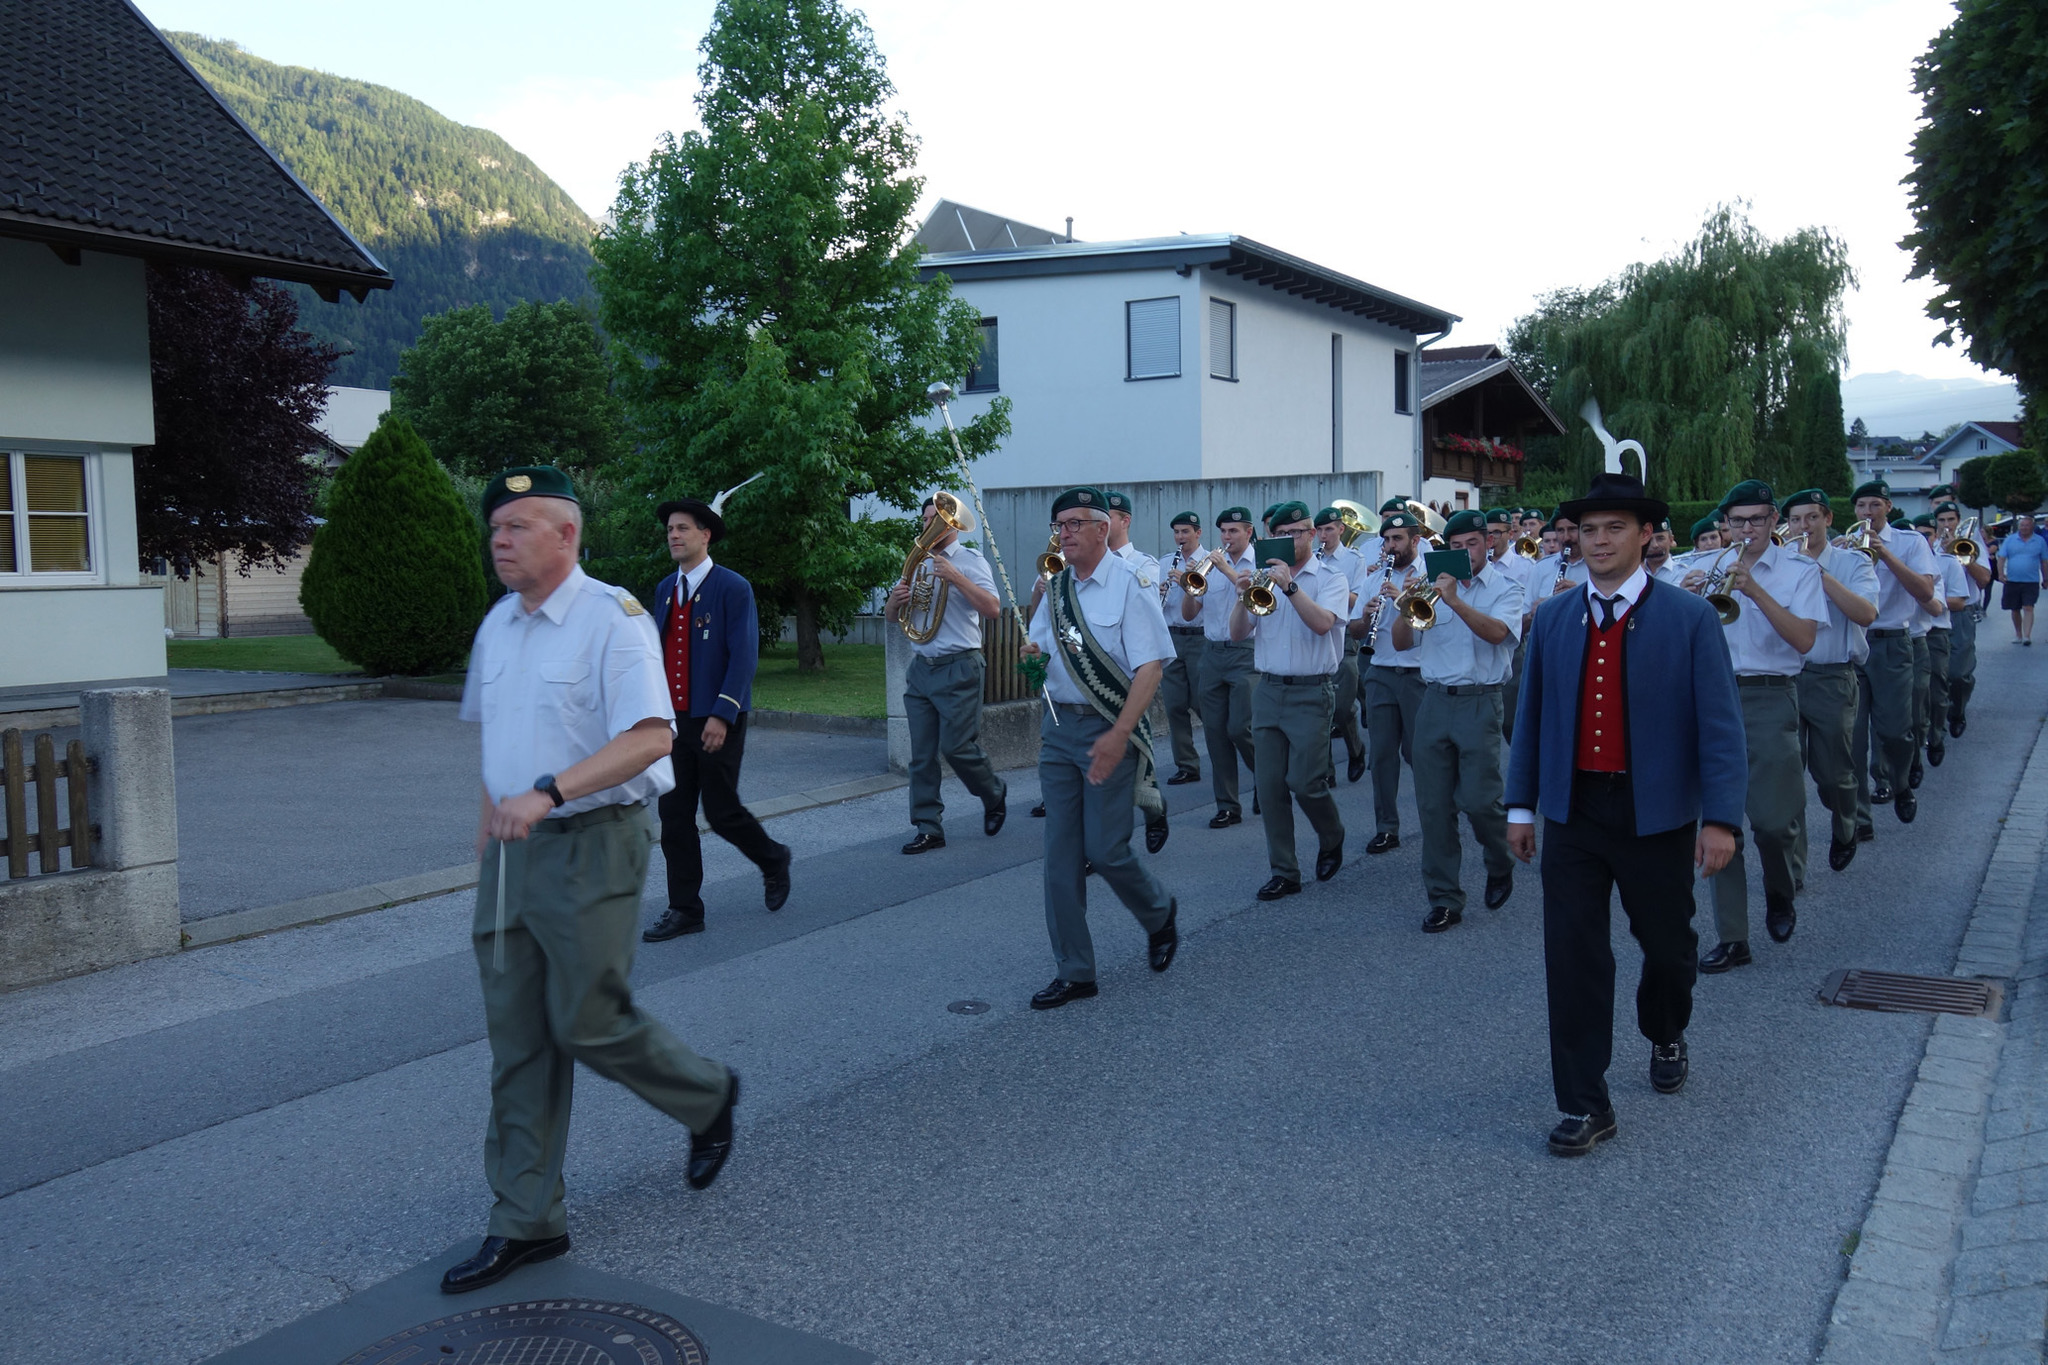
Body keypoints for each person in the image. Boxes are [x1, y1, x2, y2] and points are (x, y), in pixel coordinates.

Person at [445, 466, 740, 1295]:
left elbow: (651, 737)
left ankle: (707, 1095)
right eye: (496, 528)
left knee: (586, 1019)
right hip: (512, 855)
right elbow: (494, 746)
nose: (501, 541)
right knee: (517, 1041)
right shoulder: (498, 626)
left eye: (519, 527)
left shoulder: (613, 620)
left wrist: (548, 793)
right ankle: (526, 1219)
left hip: (592, 839)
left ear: (566, 535)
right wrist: (488, 844)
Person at [1505, 471, 1745, 1158]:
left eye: (1614, 528)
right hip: (1575, 811)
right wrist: (1522, 808)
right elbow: (1533, 719)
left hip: (1657, 812)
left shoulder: (1690, 618)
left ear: (1646, 536)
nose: (1599, 540)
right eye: (1588, 529)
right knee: (1573, 956)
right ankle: (1585, 1103)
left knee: (1668, 949)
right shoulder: (1553, 617)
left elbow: (1721, 727)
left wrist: (1721, 817)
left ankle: (1665, 1026)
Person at [1022, 487, 1179, 1009]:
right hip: (1059, 730)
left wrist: (1117, 735)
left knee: (1105, 851)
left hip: (1111, 726)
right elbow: (1041, 652)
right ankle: (1075, 971)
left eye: (1073, 523)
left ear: (1101, 528)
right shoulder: (1056, 587)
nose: (1062, 533)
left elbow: (1150, 666)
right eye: (1058, 524)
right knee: (1059, 857)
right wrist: (1031, 658)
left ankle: (1158, 914)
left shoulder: (1132, 585)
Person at [1682, 481, 1825, 969]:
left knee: (1772, 822)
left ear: (1772, 522)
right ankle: (1733, 937)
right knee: (1720, 824)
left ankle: (1781, 890)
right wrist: (1683, 600)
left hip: (1769, 695)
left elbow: (1804, 639)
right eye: (1737, 521)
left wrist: (1755, 589)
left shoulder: (1799, 571)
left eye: (1757, 520)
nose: (1747, 529)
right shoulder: (1697, 567)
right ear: (1725, 524)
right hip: (1711, 698)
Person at [643, 495, 792, 940]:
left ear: (705, 535)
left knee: (722, 811)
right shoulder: (666, 589)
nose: (673, 535)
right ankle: (685, 909)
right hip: (674, 722)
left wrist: (722, 713)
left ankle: (772, 858)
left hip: (716, 718)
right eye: (670, 528)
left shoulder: (733, 587)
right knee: (674, 816)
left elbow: (744, 655)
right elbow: (660, 654)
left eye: (682, 528)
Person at [1389, 509, 1524, 933]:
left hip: (1481, 701)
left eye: (1472, 544)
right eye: (1456, 545)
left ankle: (1499, 860)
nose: (1464, 552)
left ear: (1488, 543)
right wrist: (1405, 603)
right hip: (1433, 700)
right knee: (1433, 806)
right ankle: (1444, 897)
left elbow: (1499, 635)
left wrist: (1455, 601)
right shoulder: (1430, 587)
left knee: (1482, 801)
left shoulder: (1506, 587)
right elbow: (1401, 642)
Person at [1234, 501, 1350, 899]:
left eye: (1297, 532)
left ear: (1313, 534)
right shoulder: (1262, 579)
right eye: (1281, 535)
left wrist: (1289, 586)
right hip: (1268, 689)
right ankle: (1284, 870)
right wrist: (1241, 594)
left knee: (1305, 782)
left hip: (1311, 690)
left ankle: (1331, 833)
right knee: (1269, 788)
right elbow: (1236, 634)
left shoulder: (1330, 578)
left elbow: (1322, 625)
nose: (1289, 540)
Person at [886, 494, 1008, 855]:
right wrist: (896, 601)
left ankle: (993, 792)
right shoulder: (916, 562)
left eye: (934, 520)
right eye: (925, 520)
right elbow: (895, 618)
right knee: (921, 755)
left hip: (959, 666)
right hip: (922, 667)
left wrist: (955, 577)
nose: (928, 526)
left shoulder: (971, 561)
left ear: (953, 526)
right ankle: (928, 827)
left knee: (957, 747)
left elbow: (992, 609)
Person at [1782, 489, 1878, 879]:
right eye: (1795, 520)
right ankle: (1793, 870)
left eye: (1811, 518)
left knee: (1833, 776)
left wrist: (1816, 572)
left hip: (1832, 678)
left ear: (1827, 519)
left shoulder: (1852, 562)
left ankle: (1846, 824)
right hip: (1785, 678)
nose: (1803, 527)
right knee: (1785, 781)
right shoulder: (1779, 562)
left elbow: (1866, 613)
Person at [1848, 481, 1941, 828]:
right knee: (1853, 741)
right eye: (1861, 506)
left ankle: (1901, 784)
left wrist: (1884, 553)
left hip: (1893, 642)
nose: (1867, 512)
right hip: (1856, 643)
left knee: (1895, 732)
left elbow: (1925, 591)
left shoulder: (1910, 542)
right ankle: (1859, 819)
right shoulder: (1846, 543)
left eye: (1874, 505)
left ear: (1888, 507)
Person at [1349, 511, 1428, 855]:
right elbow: (1352, 631)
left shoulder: (1428, 574)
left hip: (1417, 673)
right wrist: (1365, 616)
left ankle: (1435, 819)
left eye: (1398, 540)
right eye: (1387, 540)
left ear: (1415, 540)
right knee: (1382, 755)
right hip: (1380, 672)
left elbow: (1429, 624)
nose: (1391, 547)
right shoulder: (1373, 578)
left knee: (1420, 754)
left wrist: (1401, 598)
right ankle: (1386, 827)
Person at [1104, 490, 1171, 853]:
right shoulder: (1077, 566)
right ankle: (1099, 839)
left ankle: (1152, 806)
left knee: (1128, 748)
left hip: (1131, 672)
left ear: (1124, 520)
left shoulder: (1144, 564)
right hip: (1089, 672)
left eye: (1107, 517)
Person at [1191, 507, 1260, 827]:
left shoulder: (1259, 563)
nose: (1227, 538)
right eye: (1224, 532)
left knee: (1240, 728)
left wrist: (1227, 571)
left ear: (1248, 532)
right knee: (1216, 733)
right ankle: (1228, 805)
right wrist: (1191, 584)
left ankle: (1267, 781)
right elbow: (1190, 612)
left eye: (1234, 531)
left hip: (1246, 652)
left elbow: (1253, 597)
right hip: (1213, 652)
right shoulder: (1209, 565)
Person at [1314, 505, 1368, 782]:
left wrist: (1334, 587)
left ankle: (1356, 750)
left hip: (1345, 635)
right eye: (1320, 530)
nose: (1324, 535)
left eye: (1329, 529)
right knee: (1323, 707)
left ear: (1341, 530)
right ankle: (1327, 771)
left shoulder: (1354, 560)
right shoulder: (1313, 559)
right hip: (1319, 633)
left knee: (1344, 706)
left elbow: (1358, 599)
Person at [1914, 513, 1972, 768]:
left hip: (1936, 633)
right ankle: (1913, 754)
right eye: (1917, 534)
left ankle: (1936, 736)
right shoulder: (1904, 563)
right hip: (1912, 634)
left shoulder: (1947, 563)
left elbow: (1959, 601)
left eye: (1926, 534)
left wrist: (1930, 601)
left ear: (1935, 536)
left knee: (1937, 693)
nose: (1922, 539)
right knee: (1914, 696)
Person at [1160, 510, 1209, 786]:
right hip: (1172, 636)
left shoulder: (1209, 562)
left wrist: (1184, 579)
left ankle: (1222, 748)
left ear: (1197, 533)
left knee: (1200, 701)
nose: (1180, 538)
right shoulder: (1166, 562)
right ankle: (1187, 764)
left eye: (1186, 532)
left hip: (1200, 637)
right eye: (1177, 532)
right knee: (1174, 704)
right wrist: (1159, 591)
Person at [1935, 501, 1989, 735]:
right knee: (1935, 674)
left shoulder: (1972, 544)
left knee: (1958, 673)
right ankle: (1935, 722)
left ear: (1958, 521)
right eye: (1942, 520)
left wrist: (1961, 555)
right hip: (1935, 613)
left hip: (1961, 613)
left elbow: (1984, 579)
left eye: (1951, 520)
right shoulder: (1930, 544)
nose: (1947, 525)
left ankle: (1957, 710)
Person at [1996, 511, 2045, 645]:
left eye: (2027, 525)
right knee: (2015, 608)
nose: (2024, 528)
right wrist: (2000, 574)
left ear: (2032, 527)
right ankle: (2018, 634)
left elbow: (2044, 561)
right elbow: (2001, 558)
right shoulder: (2010, 540)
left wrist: (2046, 578)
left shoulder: (2040, 541)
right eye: (2022, 525)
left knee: (2029, 607)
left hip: (2031, 581)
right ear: (2018, 526)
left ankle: (2027, 636)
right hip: (2012, 580)